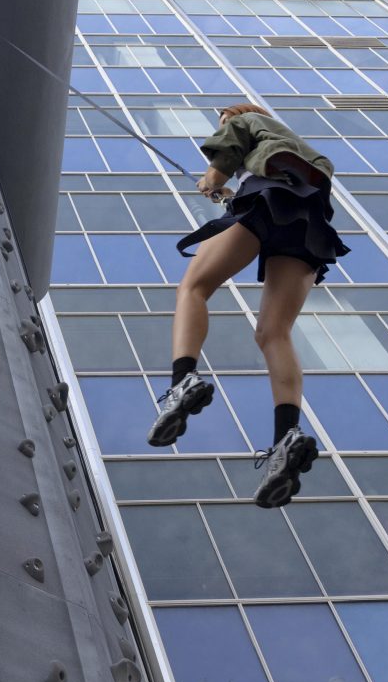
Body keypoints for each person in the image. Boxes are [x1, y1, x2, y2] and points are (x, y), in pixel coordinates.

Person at [146, 103, 349, 509]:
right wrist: (228, 192)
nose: (222, 123)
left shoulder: (243, 121)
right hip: (307, 228)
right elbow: (280, 179)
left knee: (194, 287)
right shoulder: (305, 152)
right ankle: (285, 438)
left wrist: (211, 178)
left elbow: (226, 153)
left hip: (264, 205)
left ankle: (183, 379)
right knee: (274, 332)